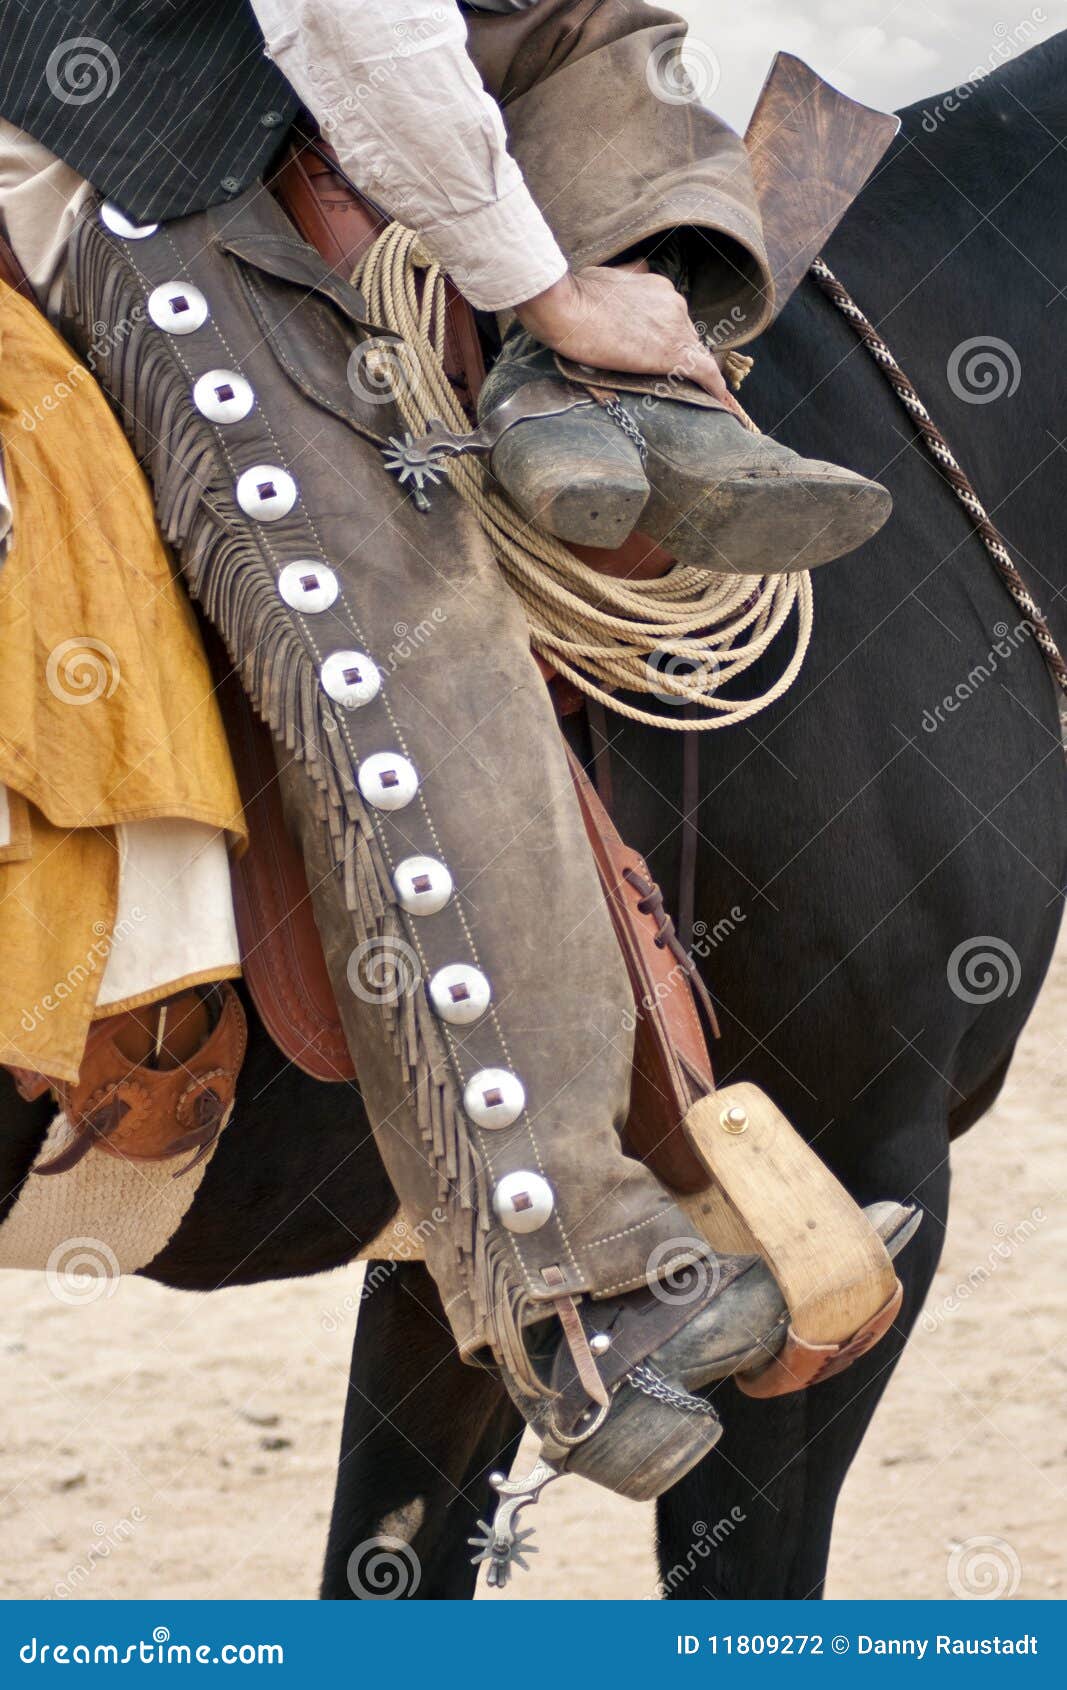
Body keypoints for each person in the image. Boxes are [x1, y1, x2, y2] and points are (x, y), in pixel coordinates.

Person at [0, 0, 898, 1510]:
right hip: (108, 150)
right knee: (402, 614)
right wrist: (534, 283)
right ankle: (583, 1281)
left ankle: (600, 387)